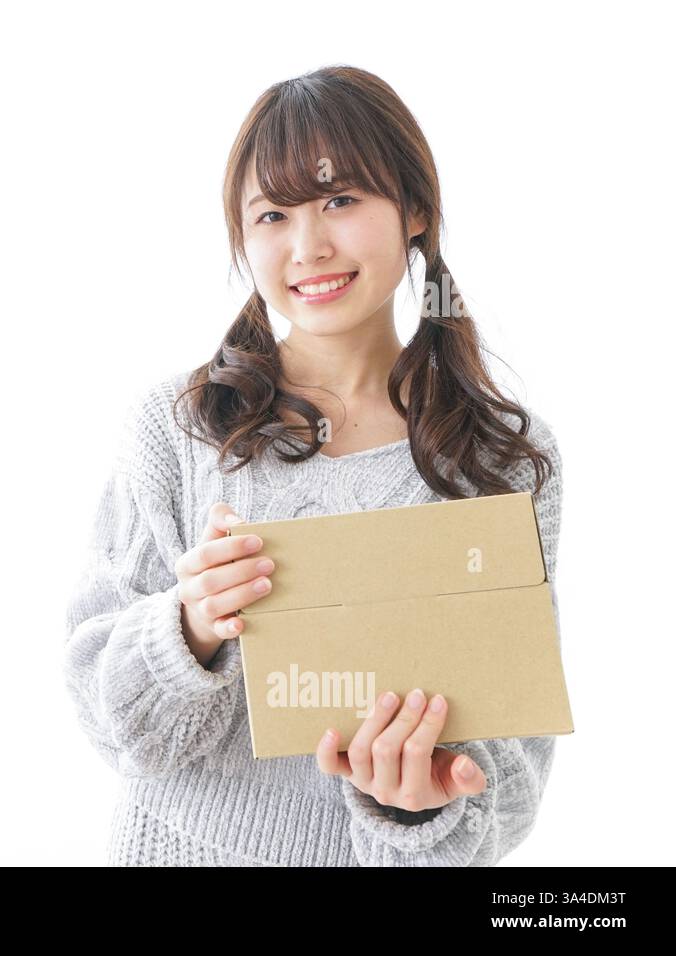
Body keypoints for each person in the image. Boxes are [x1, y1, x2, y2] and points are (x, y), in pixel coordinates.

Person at [62, 64, 564, 867]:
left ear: (417, 211)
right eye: (272, 213)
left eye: (340, 200)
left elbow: (507, 773)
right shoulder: (179, 429)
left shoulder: (500, 461)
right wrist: (185, 629)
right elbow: (103, 715)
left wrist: (413, 811)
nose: (308, 246)